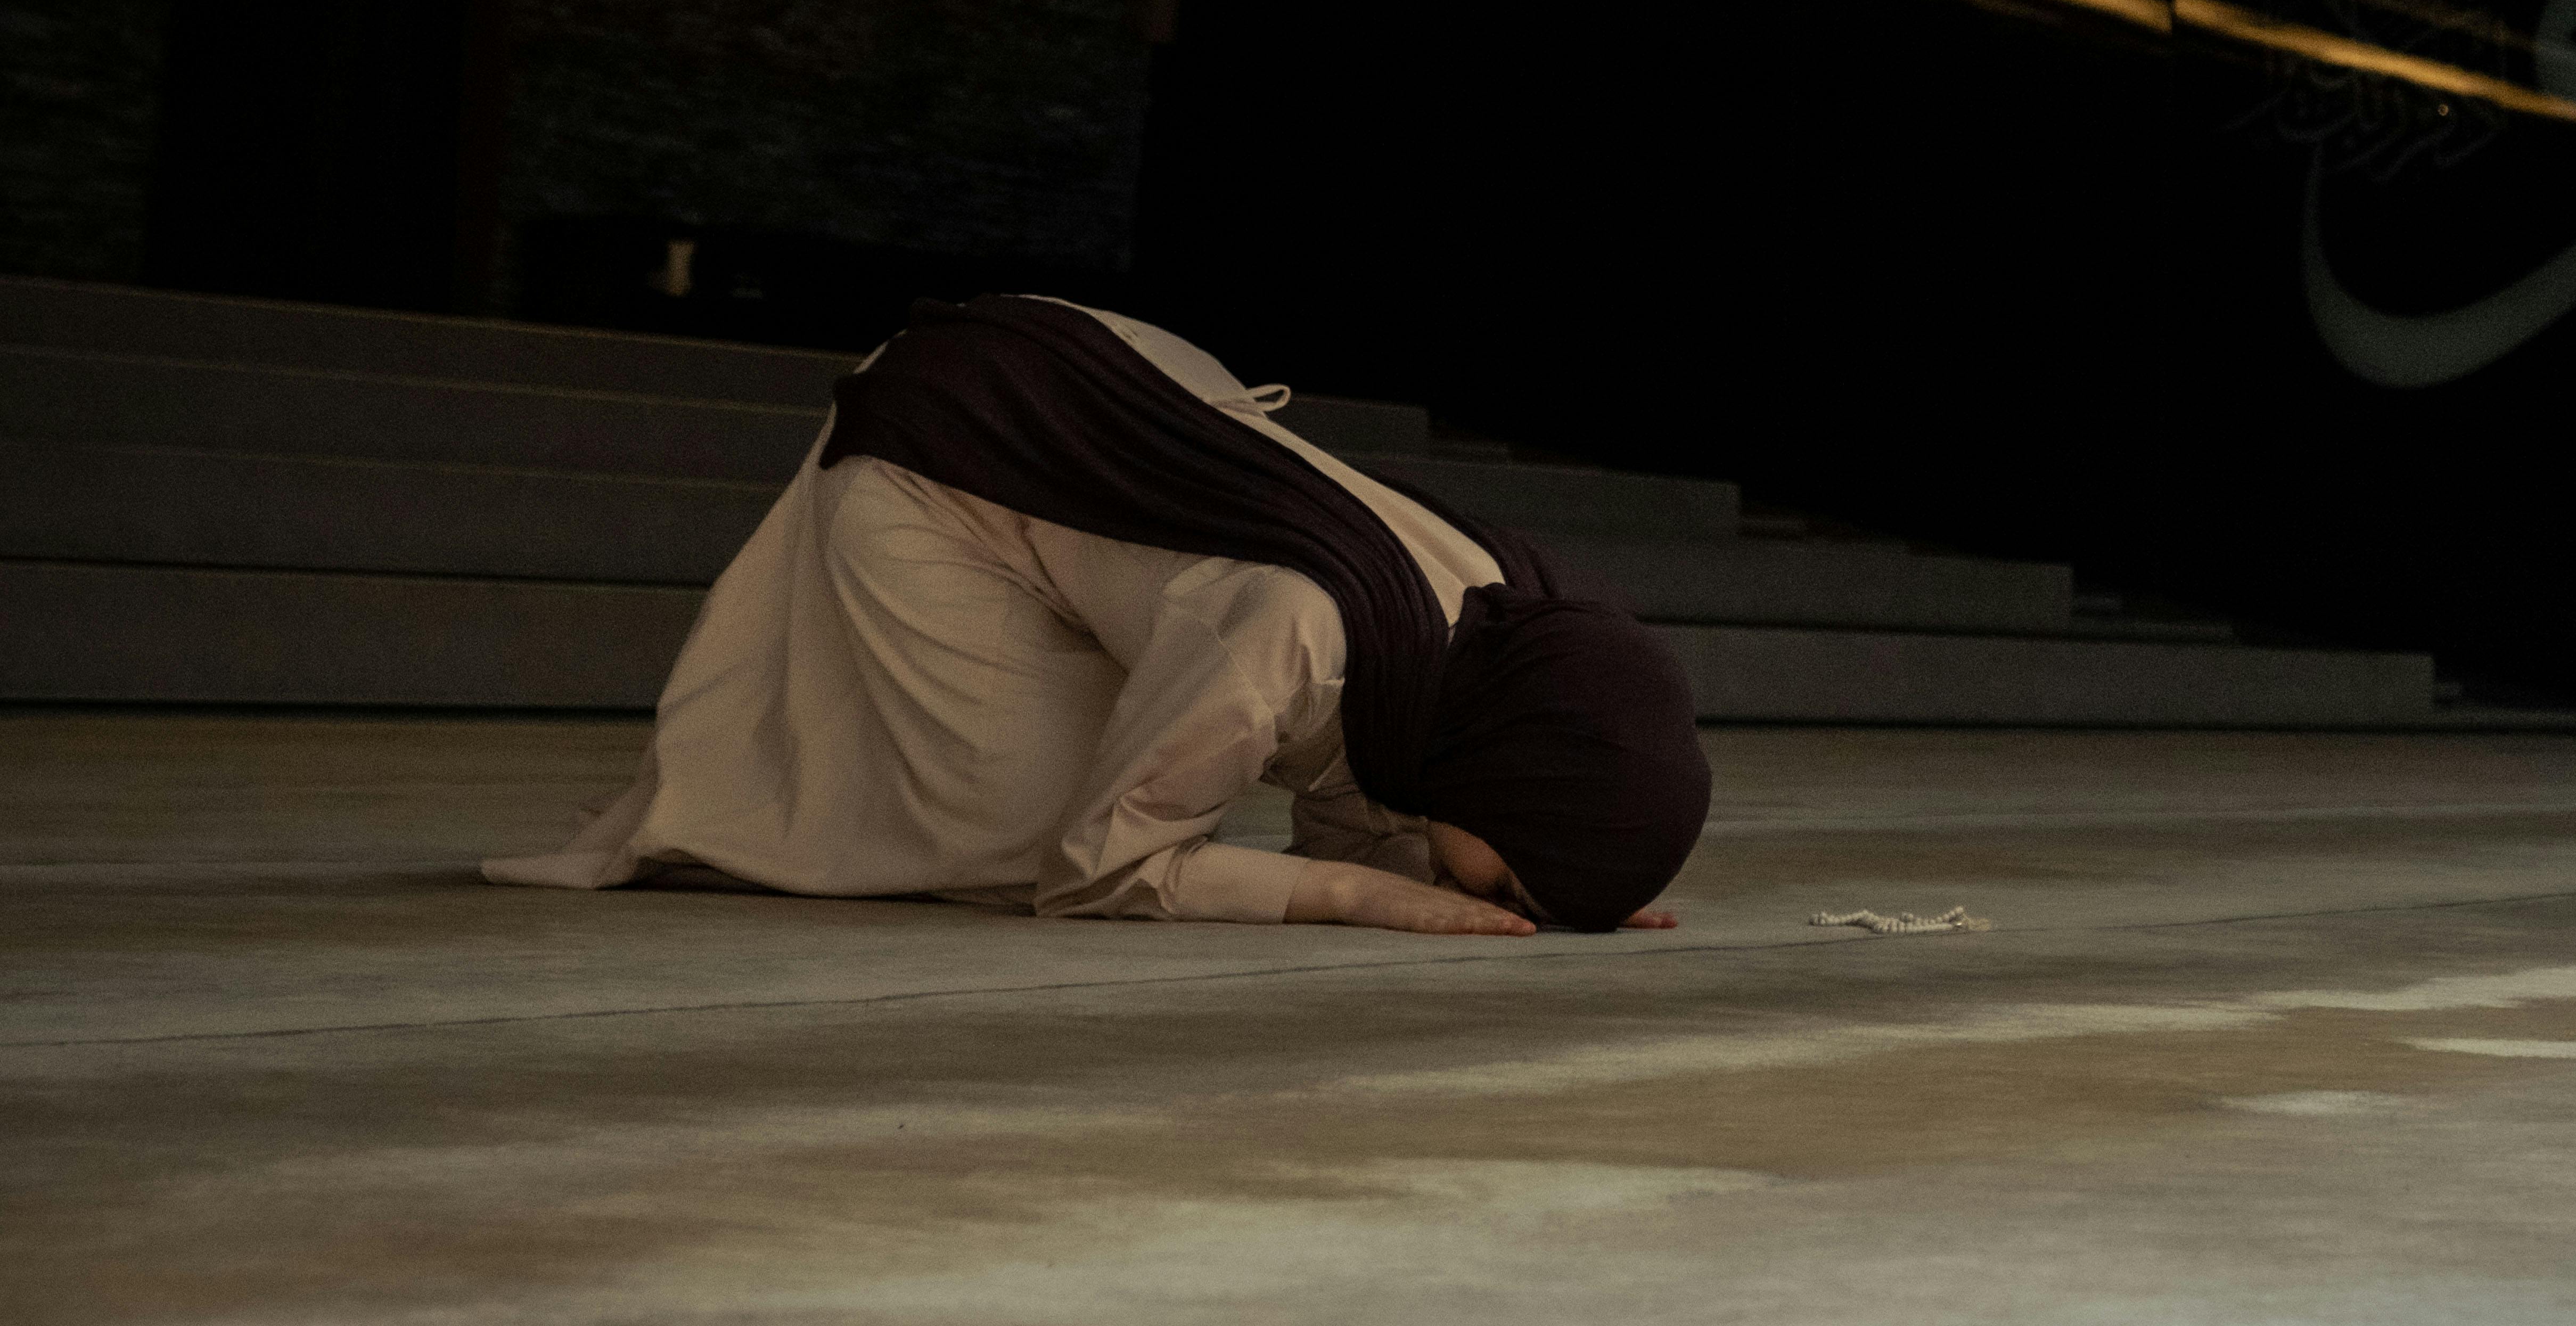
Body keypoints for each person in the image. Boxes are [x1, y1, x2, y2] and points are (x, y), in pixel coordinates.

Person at [486, 297, 1710, 934]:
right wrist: (1360, 898)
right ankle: (724, 829)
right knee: (1032, 838)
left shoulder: (1473, 651)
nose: (1512, 905)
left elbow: (1357, 810)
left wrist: (1577, 877)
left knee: (1140, 798)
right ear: (1517, 776)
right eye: (1528, 879)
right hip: (959, 457)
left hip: (1092, 396)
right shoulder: (1298, 633)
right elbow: (1099, 870)